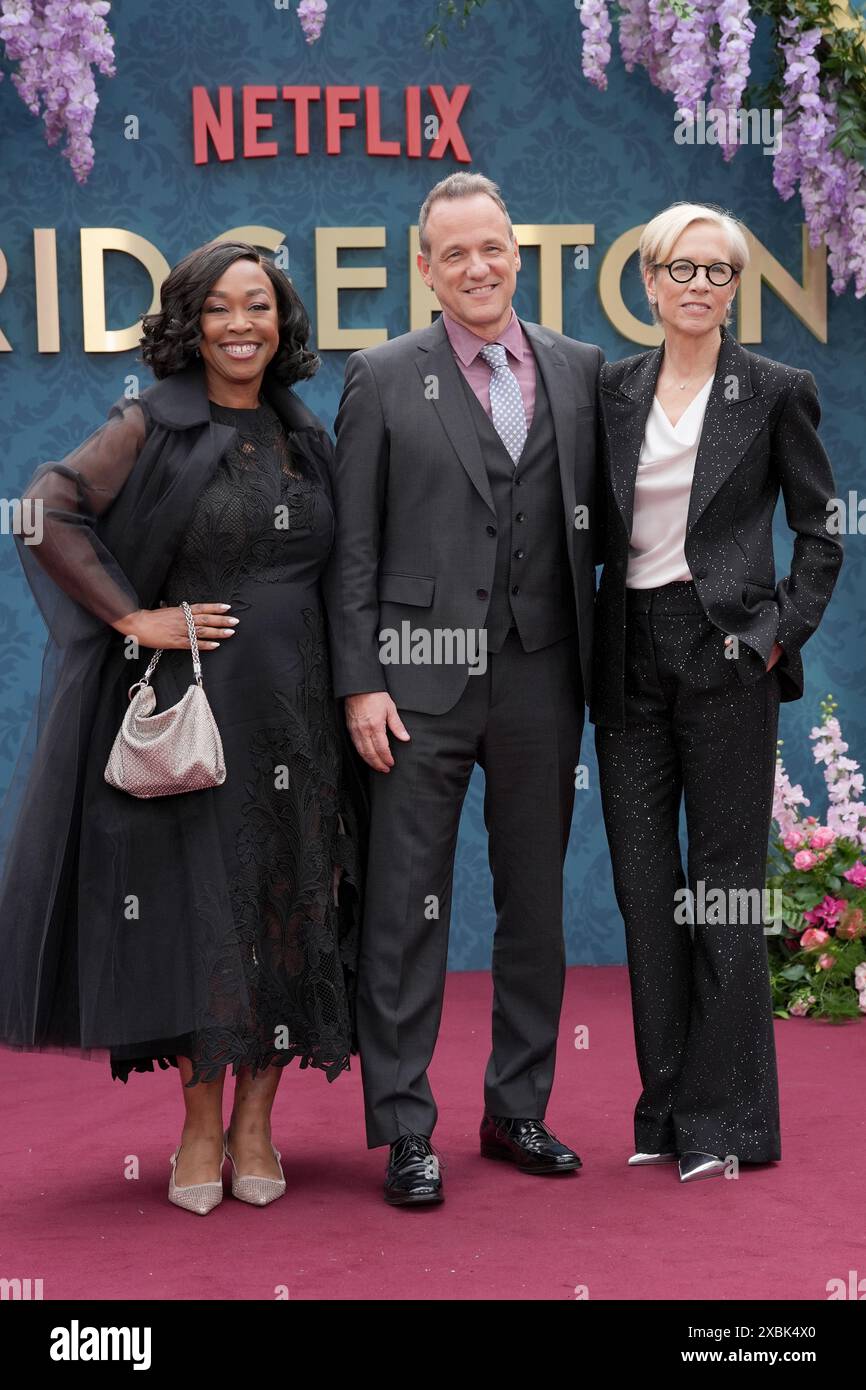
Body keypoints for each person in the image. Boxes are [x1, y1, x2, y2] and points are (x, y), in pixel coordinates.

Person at [0, 239, 365, 1214]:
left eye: (260, 305)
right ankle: (200, 1126)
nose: (242, 323)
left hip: (303, 711)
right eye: (220, 308)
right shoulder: (150, 422)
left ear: (283, 320)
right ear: (189, 324)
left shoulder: (303, 431)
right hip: (205, 708)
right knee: (214, 916)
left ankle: (259, 1124)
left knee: (293, 913)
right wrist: (132, 616)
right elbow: (46, 510)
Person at [328, 171, 604, 1206]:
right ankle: (405, 1127)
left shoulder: (580, 371)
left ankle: (515, 1107)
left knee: (533, 906)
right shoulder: (383, 376)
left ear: (516, 252)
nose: (477, 267)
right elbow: (351, 549)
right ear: (424, 268)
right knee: (405, 912)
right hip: (413, 688)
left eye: (491, 247)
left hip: (543, 676)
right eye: (454, 254)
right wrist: (359, 682)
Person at [591, 202, 843, 1182]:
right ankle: (663, 1107)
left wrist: (772, 635)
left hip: (725, 653)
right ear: (646, 282)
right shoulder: (609, 391)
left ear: (733, 289)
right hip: (627, 660)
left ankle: (727, 1119)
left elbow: (821, 530)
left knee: (723, 894)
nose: (698, 286)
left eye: (717, 272)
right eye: (680, 269)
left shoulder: (776, 389)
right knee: (644, 889)